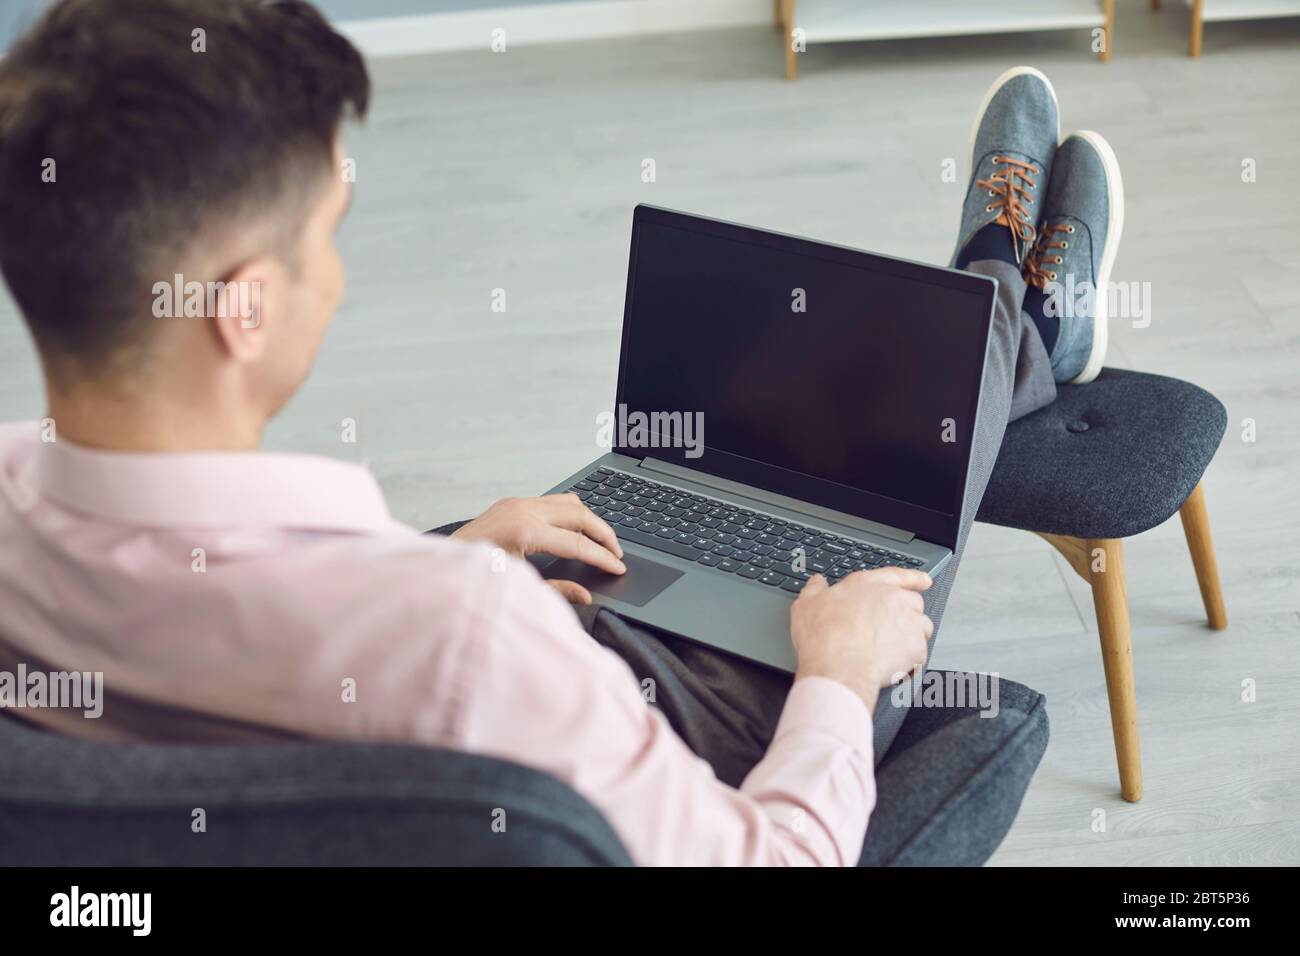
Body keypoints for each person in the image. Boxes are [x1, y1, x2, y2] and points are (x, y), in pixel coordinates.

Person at [0, 0, 1118, 865]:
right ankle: (1010, 293)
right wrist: (834, 675)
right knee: (876, 457)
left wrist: (439, 555)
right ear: (241, 308)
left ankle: (1014, 296)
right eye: (326, 233)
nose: (335, 274)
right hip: (639, 732)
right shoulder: (464, 635)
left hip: (475, 680)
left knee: (797, 417)